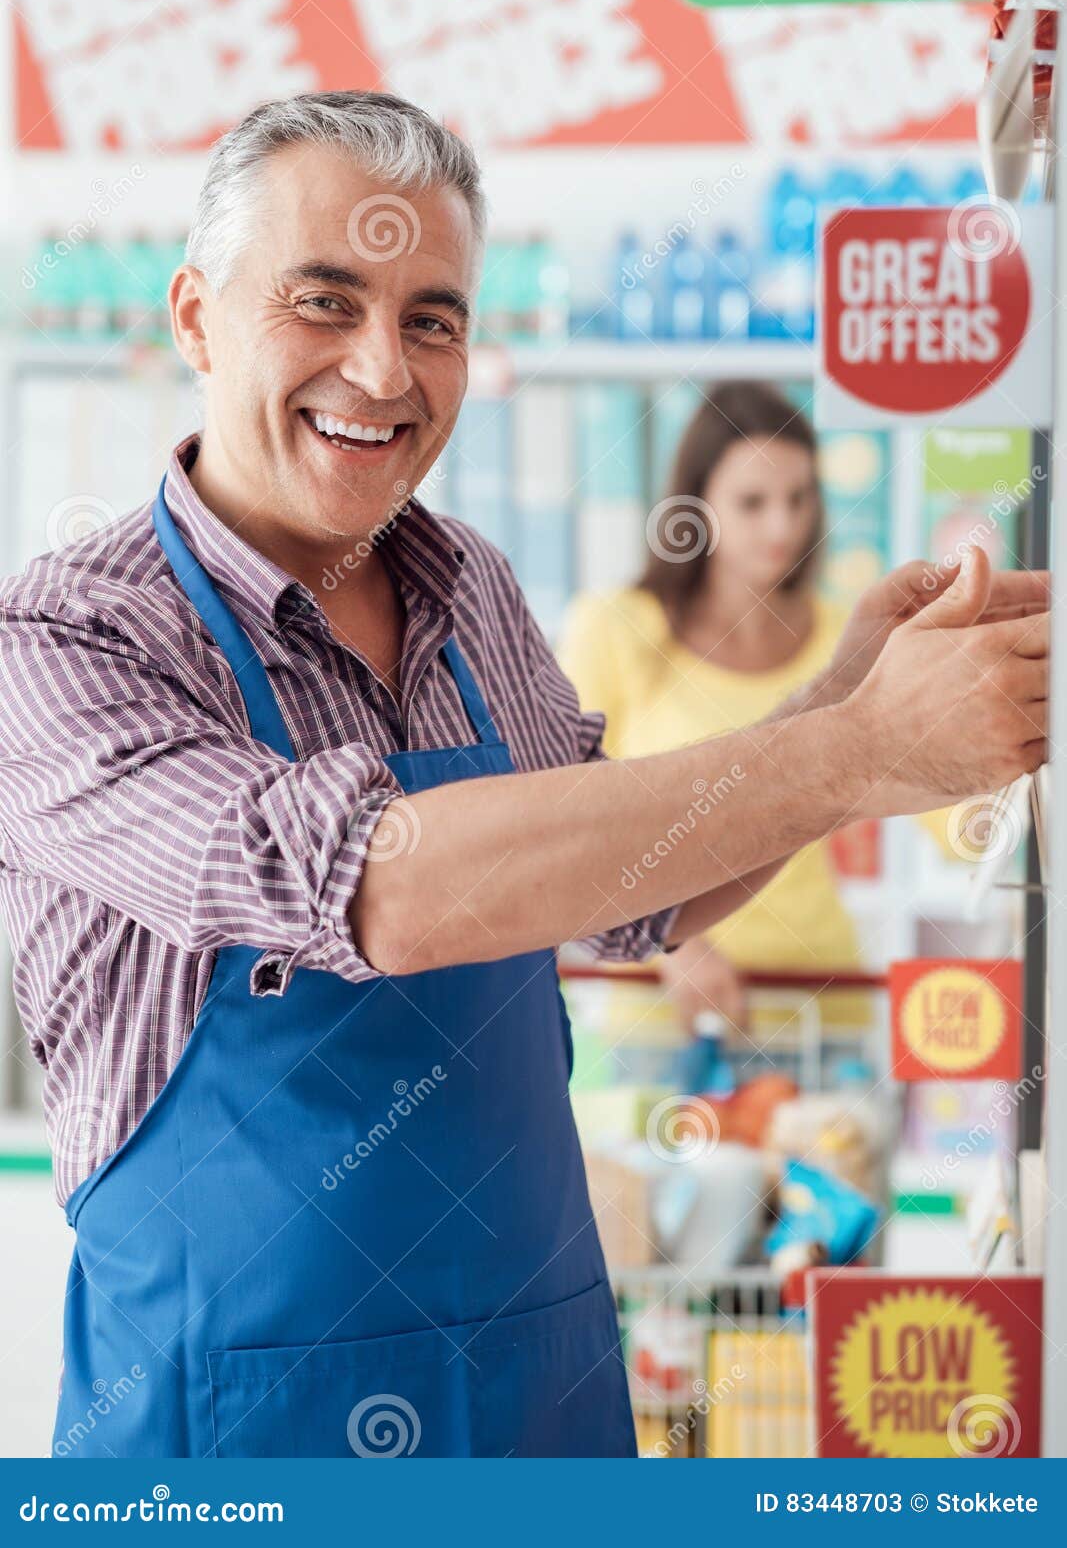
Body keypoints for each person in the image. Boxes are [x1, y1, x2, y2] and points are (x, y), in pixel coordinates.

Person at [0, 92, 1047, 1460]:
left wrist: (845, 697)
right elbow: (376, 889)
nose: (382, 368)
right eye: (323, 301)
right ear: (196, 317)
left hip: (541, 1400)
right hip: (239, 1443)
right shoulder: (66, 640)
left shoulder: (467, 584)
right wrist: (852, 748)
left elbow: (633, 895)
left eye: (432, 319)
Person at [558, 381, 860, 1034]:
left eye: (798, 498)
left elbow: (939, 796)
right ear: (695, 507)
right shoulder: (615, 629)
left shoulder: (846, 635)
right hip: (662, 1013)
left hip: (821, 997)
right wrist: (674, 943)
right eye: (752, 502)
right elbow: (565, 823)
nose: (781, 526)